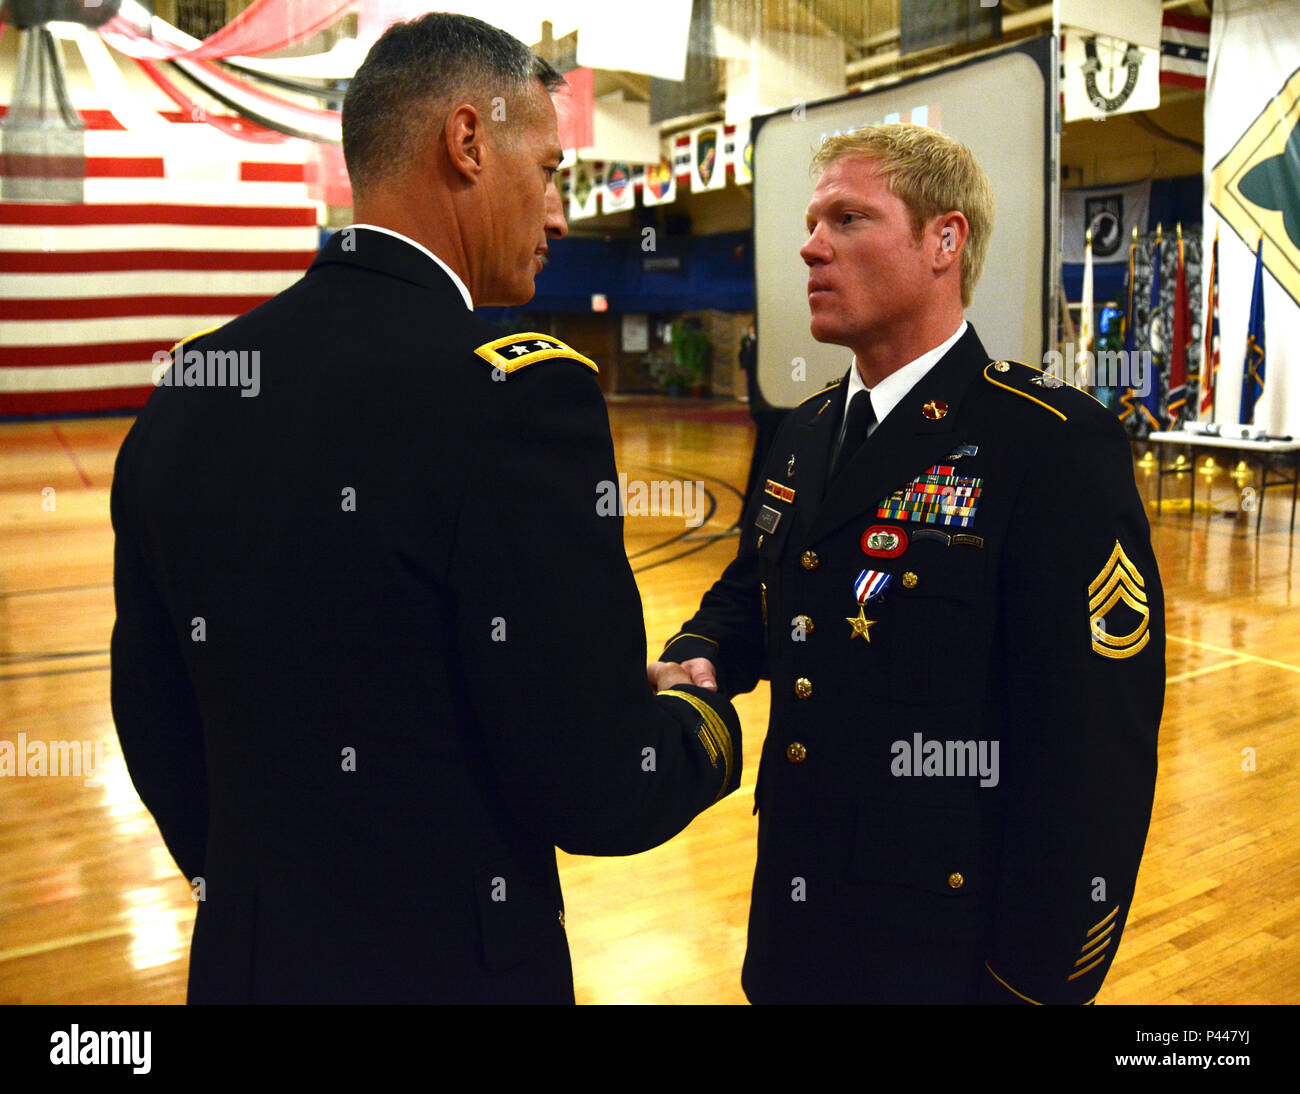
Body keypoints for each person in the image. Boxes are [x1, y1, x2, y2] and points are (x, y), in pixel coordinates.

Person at [110, 12, 741, 1005]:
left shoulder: (194, 385)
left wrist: (258, 899)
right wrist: (694, 714)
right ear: (467, 141)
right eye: (550, 168)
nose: (561, 213)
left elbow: (150, 717)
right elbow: (598, 784)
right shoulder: (515, 397)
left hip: (246, 965)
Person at [658, 124, 1164, 1004]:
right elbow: (764, 584)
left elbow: (1095, 753)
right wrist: (706, 650)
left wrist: (1033, 981)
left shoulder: (1047, 443)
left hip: (946, 950)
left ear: (945, 241)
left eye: (849, 219)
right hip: (798, 915)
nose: (811, 246)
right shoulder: (805, 427)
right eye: (813, 222)